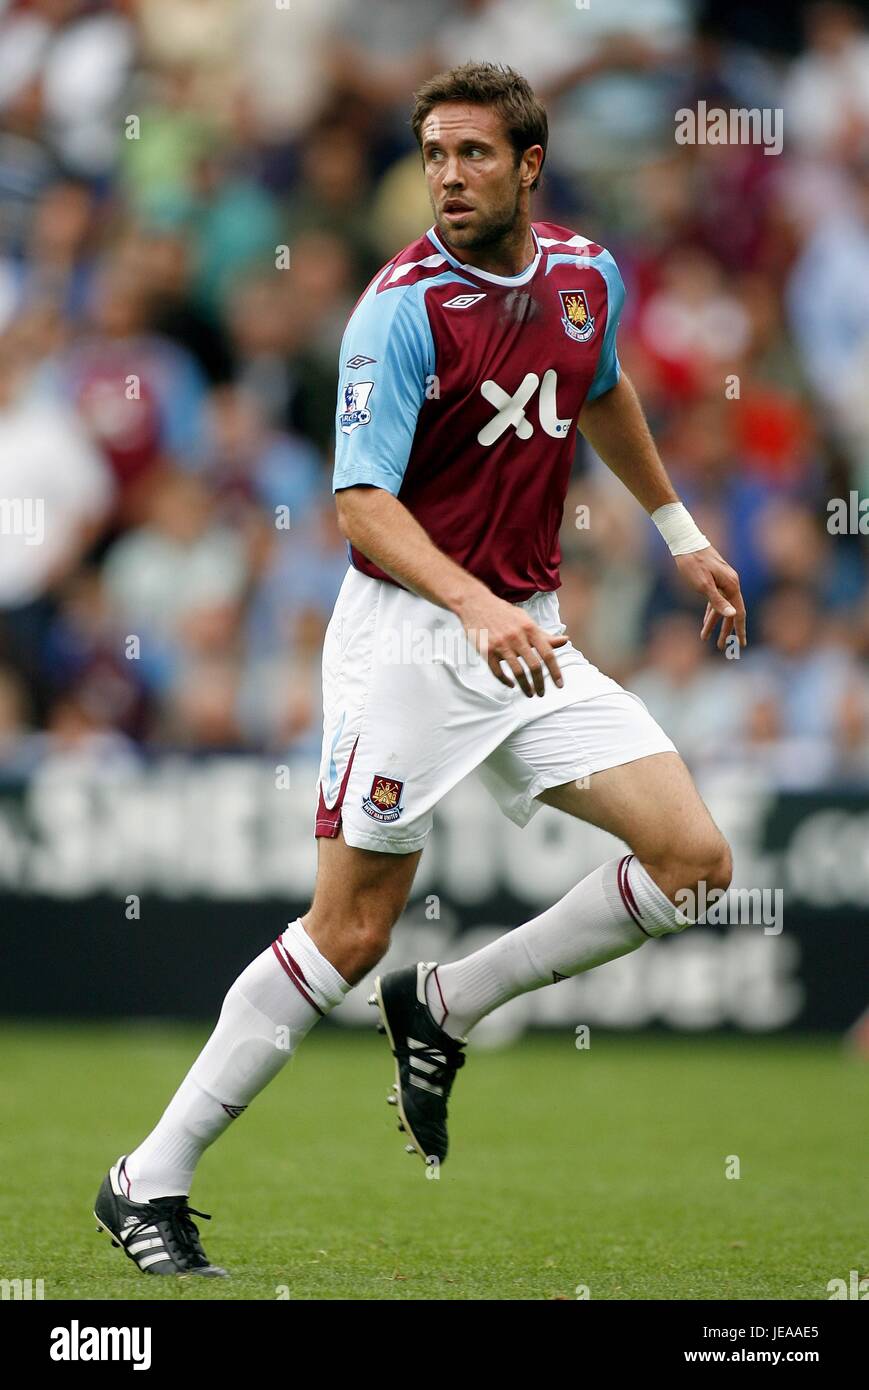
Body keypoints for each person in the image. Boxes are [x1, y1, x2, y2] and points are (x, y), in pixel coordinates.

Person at [94, 62, 745, 1277]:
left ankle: (448, 1002)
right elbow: (357, 504)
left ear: (528, 166)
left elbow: (598, 389)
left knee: (694, 862)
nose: (448, 176)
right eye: (435, 155)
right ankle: (146, 1177)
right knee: (345, 935)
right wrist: (474, 603)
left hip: (525, 628)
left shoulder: (583, 276)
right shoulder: (398, 309)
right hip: (411, 639)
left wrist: (682, 534)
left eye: (473, 156)